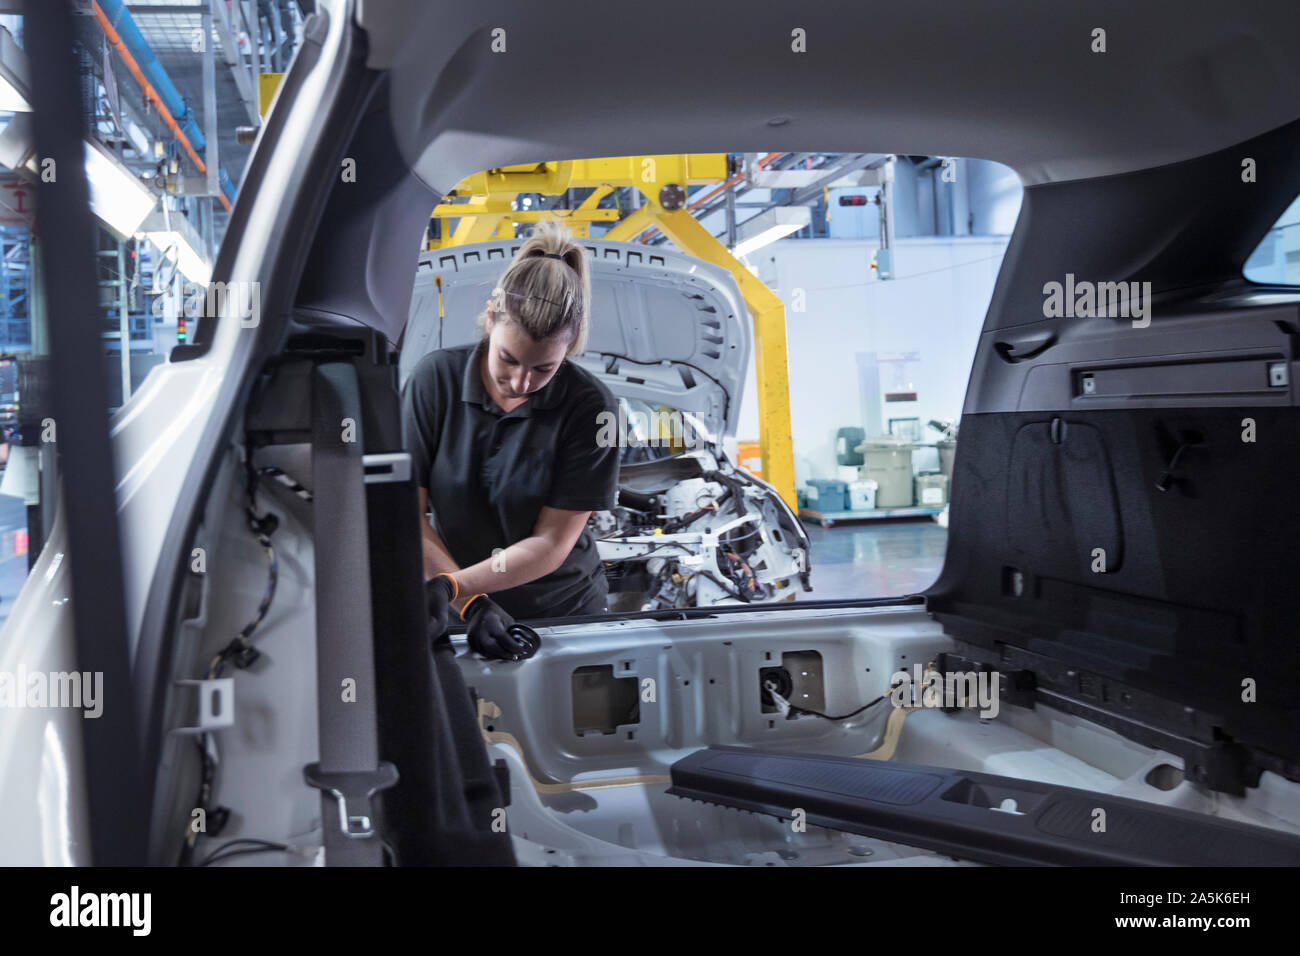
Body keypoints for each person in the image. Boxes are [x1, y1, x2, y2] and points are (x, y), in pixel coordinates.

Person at [401, 222, 620, 661]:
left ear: (570, 347)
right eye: (508, 358)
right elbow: (405, 512)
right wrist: (469, 601)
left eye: (544, 369)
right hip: (458, 608)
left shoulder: (595, 408)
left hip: (562, 611)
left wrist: (454, 587)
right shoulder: (434, 381)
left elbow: (551, 544)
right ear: (489, 317)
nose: (521, 381)